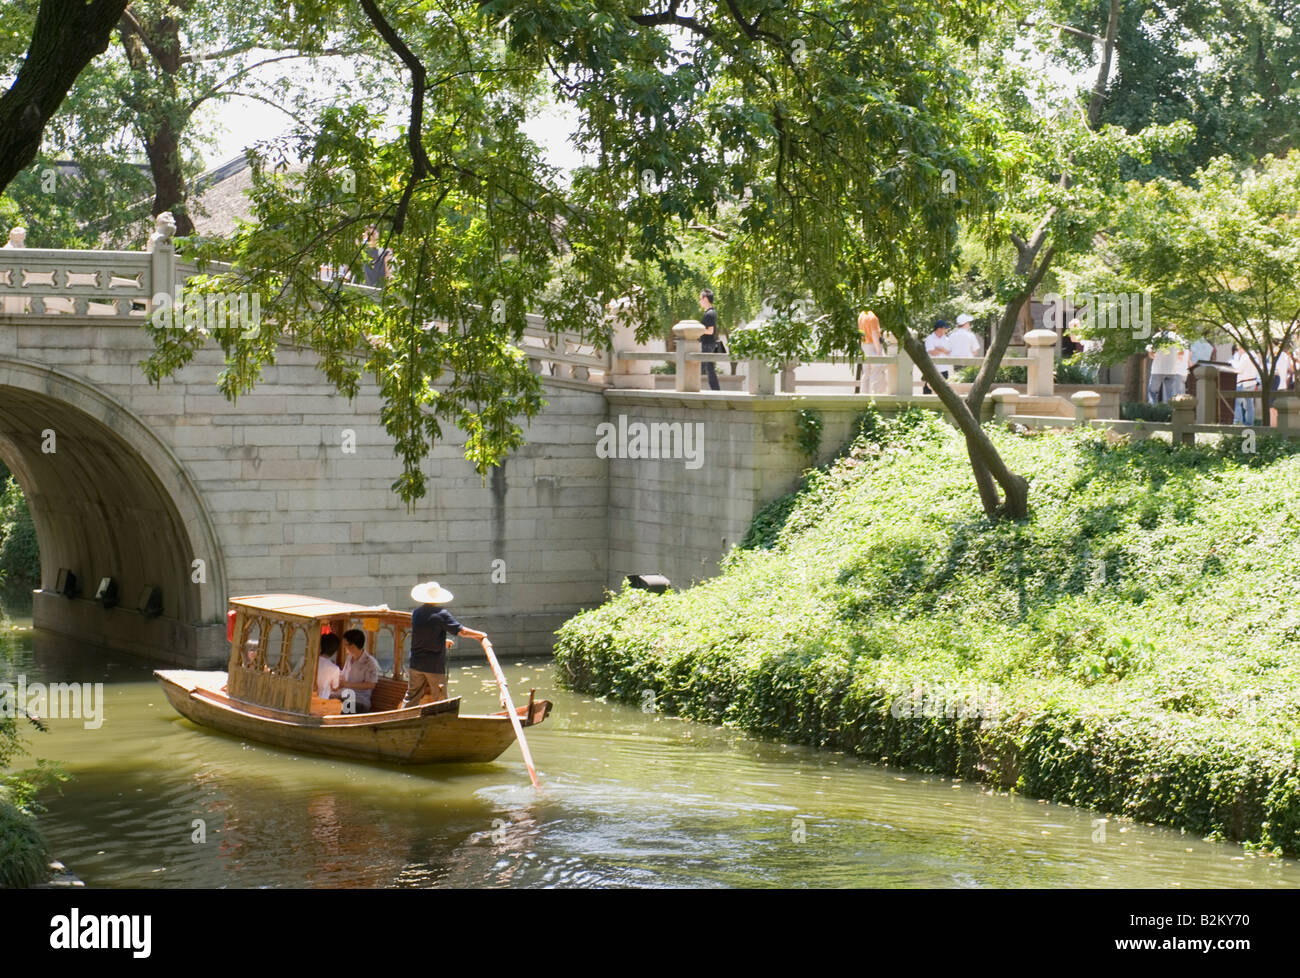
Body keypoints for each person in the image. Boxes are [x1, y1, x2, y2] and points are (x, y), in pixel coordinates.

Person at [404, 581, 486, 706]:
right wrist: (479, 635)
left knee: (411, 697)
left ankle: (404, 718)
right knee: (440, 699)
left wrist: (442, 641)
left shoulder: (416, 613)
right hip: (433, 665)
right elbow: (462, 631)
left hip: (415, 663)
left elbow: (424, 634)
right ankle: (441, 722)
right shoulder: (441, 614)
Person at [335, 628, 380, 712]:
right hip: (345, 694)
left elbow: (371, 685)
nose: (344, 647)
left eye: (345, 644)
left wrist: (347, 684)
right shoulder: (349, 658)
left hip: (359, 700)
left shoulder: (370, 663)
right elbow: (344, 676)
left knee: (345, 711)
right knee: (324, 701)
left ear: (352, 646)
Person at [1147, 332, 1187, 404]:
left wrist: (1159, 357)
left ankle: (1154, 412)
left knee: (1153, 393)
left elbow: (1150, 354)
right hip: (1171, 370)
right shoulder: (1177, 337)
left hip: (1157, 370)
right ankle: (1169, 413)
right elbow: (1181, 353)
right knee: (1170, 395)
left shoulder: (1157, 336)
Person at [856, 310, 886, 394]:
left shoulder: (861, 315)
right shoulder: (873, 318)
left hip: (864, 345)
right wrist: (879, 352)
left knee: (866, 373)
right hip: (873, 346)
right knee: (876, 372)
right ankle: (874, 396)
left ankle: (864, 395)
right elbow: (874, 334)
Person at [697, 289, 722, 391]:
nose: (699, 301)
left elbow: (710, 331)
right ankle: (716, 390)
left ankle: (690, 387)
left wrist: (699, 330)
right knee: (709, 368)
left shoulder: (710, 313)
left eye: (700, 299)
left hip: (707, 344)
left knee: (700, 368)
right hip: (709, 343)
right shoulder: (711, 312)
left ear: (705, 299)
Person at [1230, 345, 1259, 426]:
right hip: (1252, 382)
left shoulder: (1245, 356)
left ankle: (1238, 422)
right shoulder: (1255, 356)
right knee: (1250, 405)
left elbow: (1238, 370)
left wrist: (1233, 362)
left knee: (1238, 404)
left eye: (1239, 349)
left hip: (1243, 383)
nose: (1238, 351)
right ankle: (1250, 423)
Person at [922, 320, 951, 394]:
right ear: (939, 329)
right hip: (931, 367)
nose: (945, 330)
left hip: (943, 368)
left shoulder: (947, 339)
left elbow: (949, 352)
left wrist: (939, 348)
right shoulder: (930, 338)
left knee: (944, 390)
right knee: (927, 388)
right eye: (945, 328)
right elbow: (932, 352)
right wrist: (943, 350)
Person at [316, 633, 342, 699]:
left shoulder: (304, 660)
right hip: (321, 701)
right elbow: (335, 687)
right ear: (335, 651)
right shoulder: (334, 669)